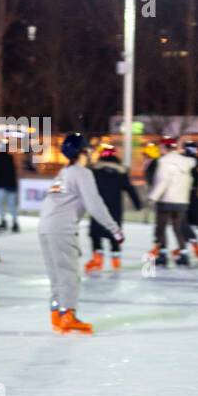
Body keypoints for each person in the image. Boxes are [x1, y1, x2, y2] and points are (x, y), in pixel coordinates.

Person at [38, 133, 123, 334]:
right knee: (69, 274)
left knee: (56, 275)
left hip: (45, 228)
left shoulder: (63, 173)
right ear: (83, 151)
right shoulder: (82, 173)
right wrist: (114, 229)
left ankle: (57, 314)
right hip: (62, 229)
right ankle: (68, 314)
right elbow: (95, 205)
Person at [84, 145, 141, 273]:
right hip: (115, 208)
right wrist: (137, 204)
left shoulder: (95, 171)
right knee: (114, 232)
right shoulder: (121, 172)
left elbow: (85, 188)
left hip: (98, 207)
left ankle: (97, 258)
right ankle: (116, 260)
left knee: (95, 233)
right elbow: (130, 189)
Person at [148, 138, 195, 268]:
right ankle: (184, 255)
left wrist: (153, 197)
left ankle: (162, 255)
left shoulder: (164, 162)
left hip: (166, 200)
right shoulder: (186, 163)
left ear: (165, 148)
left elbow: (163, 181)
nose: (160, 150)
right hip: (181, 201)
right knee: (178, 228)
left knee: (161, 228)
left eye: (161, 148)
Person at [0, 140, 20, 233]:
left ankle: (5, 221)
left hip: (4, 186)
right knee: (10, 205)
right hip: (10, 186)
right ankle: (13, 223)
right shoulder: (9, 158)